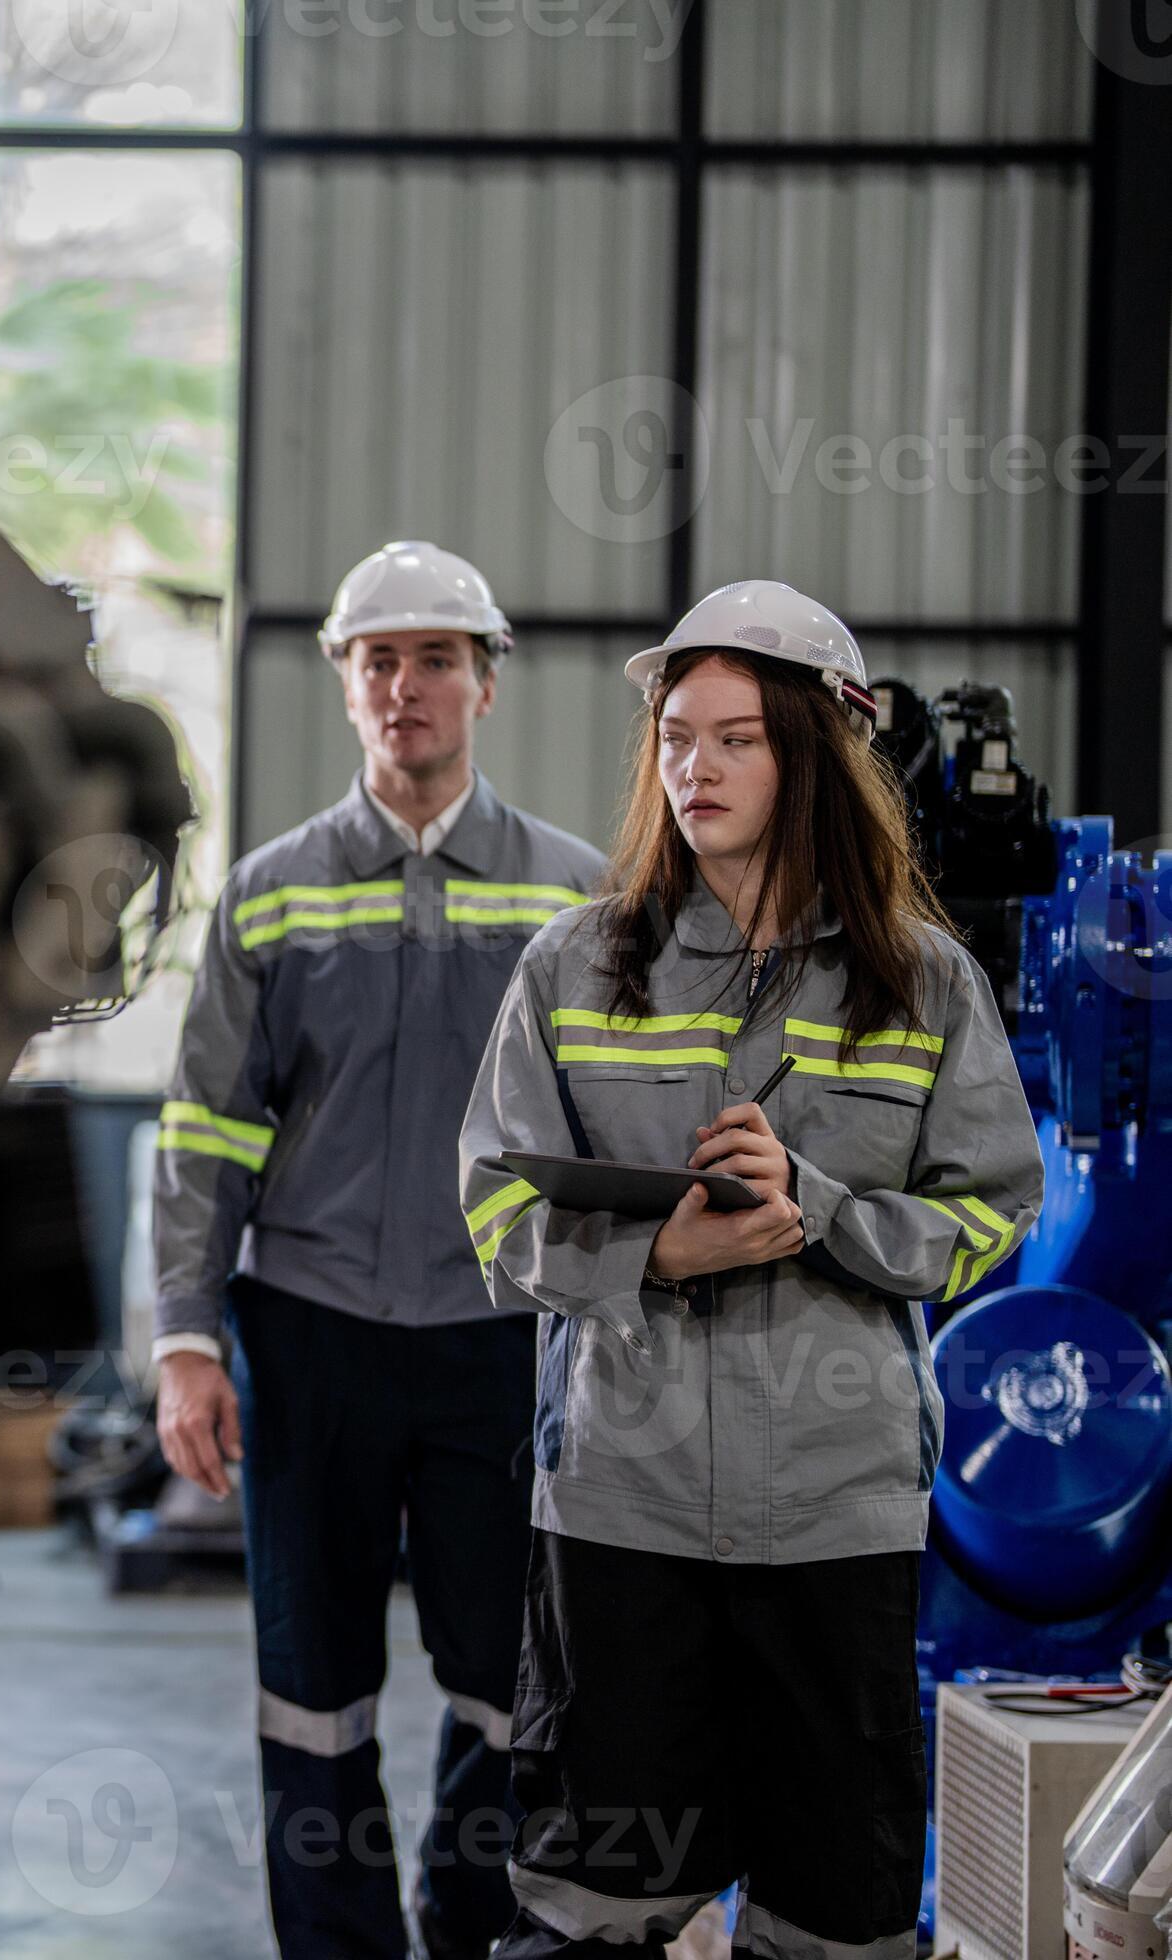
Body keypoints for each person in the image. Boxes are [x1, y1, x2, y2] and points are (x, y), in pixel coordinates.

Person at [458, 581, 1046, 1959]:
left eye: (735, 740)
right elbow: (490, 1209)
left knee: (835, 1921)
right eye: (675, 737)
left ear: (814, 753)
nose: (694, 770)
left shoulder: (923, 983)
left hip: (834, 1521)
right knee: (585, 1914)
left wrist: (827, 1211)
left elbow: (990, 1213)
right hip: (623, 1513)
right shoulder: (577, 967)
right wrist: (655, 1251)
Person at [153, 541, 610, 1960]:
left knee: (502, 1673)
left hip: (499, 1338)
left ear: (485, 683)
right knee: (313, 1677)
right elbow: (211, 1131)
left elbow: (611, 1125)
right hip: (314, 1329)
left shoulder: (575, 897)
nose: (403, 687)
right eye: (377, 661)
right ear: (346, 687)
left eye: (432, 659)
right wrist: (184, 1342)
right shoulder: (273, 894)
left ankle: (470, 1924)